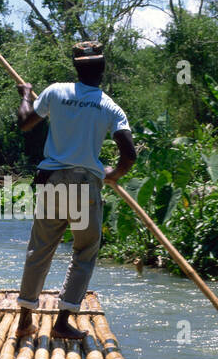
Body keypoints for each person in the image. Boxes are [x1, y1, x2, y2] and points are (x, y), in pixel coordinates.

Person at [14, 41, 136, 341]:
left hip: (52, 181)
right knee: (84, 251)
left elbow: (26, 123)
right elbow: (129, 154)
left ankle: (25, 320)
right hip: (84, 186)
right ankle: (62, 321)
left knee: (39, 250)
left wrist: (27, 96)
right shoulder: (109, 106)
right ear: (103, 70)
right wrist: (111, 173)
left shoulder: (55, 92)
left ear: (77, 67)